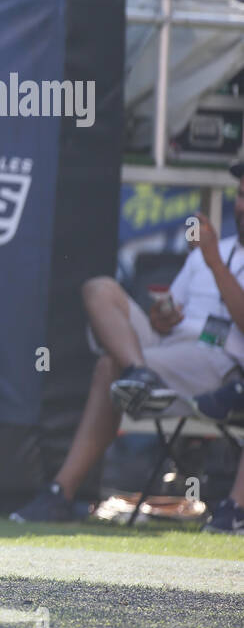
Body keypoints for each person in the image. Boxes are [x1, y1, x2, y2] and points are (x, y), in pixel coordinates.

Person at [13, 182, 244, 521]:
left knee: (109, 367)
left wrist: (214, 263)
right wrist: (163, 316)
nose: (242, 204)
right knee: (100, 288)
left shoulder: (210, 255)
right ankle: (139, 373)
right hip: (170, 348)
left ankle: (61, 491)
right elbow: (165, 315)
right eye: (240, 195)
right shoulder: (208, 254)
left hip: (218, 363)